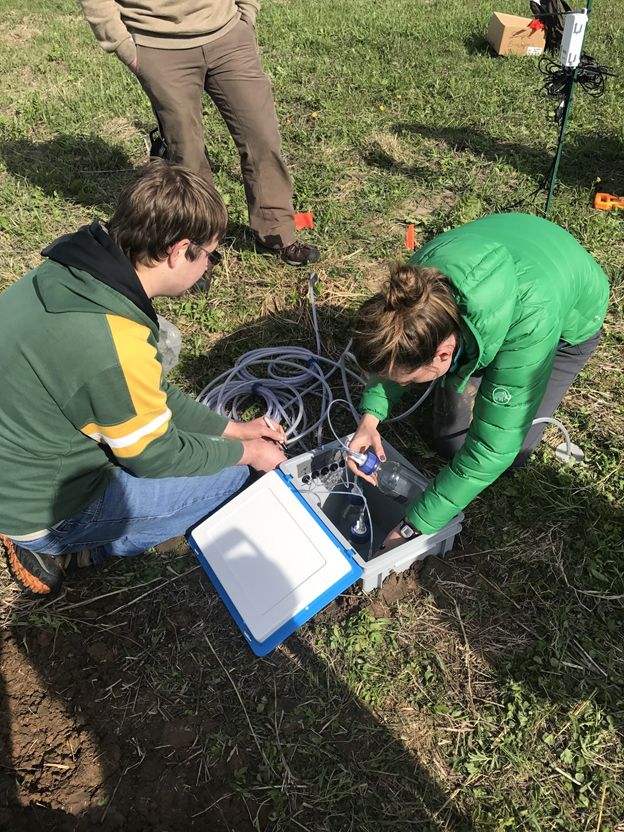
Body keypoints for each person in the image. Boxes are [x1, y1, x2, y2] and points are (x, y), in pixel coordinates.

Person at [0, 160, 286, 598]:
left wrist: (234, 428)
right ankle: (68, 548)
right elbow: (154, 456)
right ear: (179, 251)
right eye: (210, 255)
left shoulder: (68, 271)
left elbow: (147, 393)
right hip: (39, 507)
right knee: (230, 478)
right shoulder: (114, 342)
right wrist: (246, 453)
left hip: (17, 458)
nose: (209, 267)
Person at [348, 212, 609, 551]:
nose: (407, 384)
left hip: (567, 319)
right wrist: (371, 418)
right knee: (449, 443)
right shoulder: (415, 285)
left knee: (513, 450)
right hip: (517, 249)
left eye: (412, 380)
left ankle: (485, 366)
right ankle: (471, 362)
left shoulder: (531, 325)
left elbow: (492, 450)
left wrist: (414, 525)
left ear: (443, 355)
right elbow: (397, 353)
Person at [78, 0, 319, 267]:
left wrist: (247, 13)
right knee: (186, 155)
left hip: (228, 34)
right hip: (158, 45)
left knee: (262, 137)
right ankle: (200, 246)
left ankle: (276, 233)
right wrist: (124, 46)